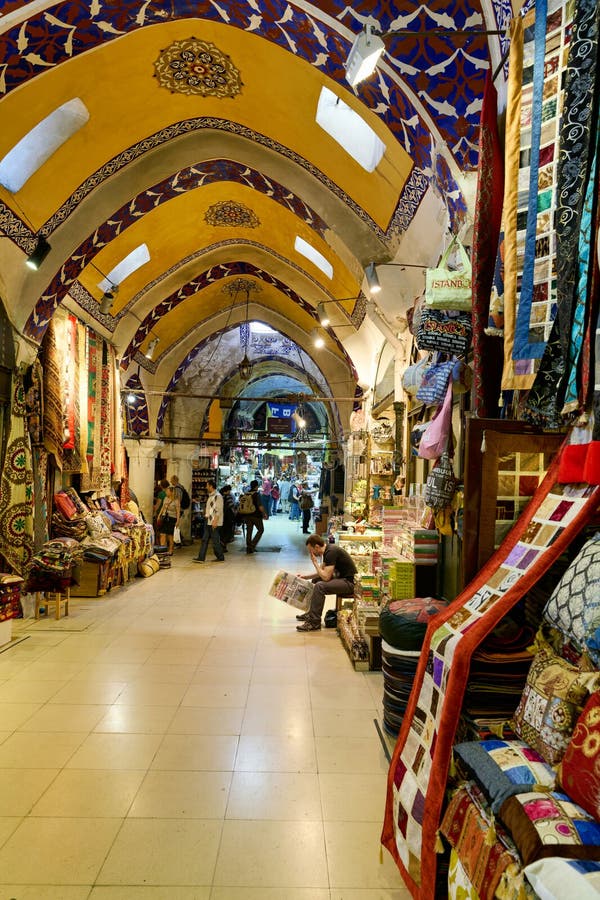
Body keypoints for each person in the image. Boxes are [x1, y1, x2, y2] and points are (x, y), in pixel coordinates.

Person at [296, 533, 357, 632]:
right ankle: (311, 613)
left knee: (320, 586)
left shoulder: (331, 552)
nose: (311, 553)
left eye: (311, 551)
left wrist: (315, 563)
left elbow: (325, 577)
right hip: (342, 579)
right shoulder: (328, 550)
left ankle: (314, 623)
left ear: (316, 547)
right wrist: (305, 577)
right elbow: (321, 572)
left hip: (349, 583)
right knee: (316, 581)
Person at [193, 480, 225, 563]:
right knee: (205, 539)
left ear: (211, 486)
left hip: (214, 522)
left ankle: (220, 556)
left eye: (207, 485)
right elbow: (210, 508)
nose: (206, 487)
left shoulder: (218, 496)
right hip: (208, 521)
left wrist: (215, 521)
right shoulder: (211, 496)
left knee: (215, 541)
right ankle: (201, 557)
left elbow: (219, 510)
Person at [239, 479, 266, 554]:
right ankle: (252, 545)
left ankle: (248, 547)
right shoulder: (256, 494)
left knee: (249, 531)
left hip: (247, 515)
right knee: (261, 530)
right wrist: (264, 514)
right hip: (256, 515)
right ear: (257, 486)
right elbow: (260, 506)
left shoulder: (247, 493)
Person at [157, 485, 181, 555]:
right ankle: (162, 549)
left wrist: (178, 521)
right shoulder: (165, 498)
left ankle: (171, 550)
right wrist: (159, 515)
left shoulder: (176, 501)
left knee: (170, 535)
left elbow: (178, 511)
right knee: (162, 534)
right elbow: (162, 507)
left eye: (167, 491)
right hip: (164, 517)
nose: (166, 492)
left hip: (172, 518)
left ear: (171, 492)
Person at [219, 484, 236, 551]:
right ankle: (223, 544)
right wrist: (235, 513)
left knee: (222, 531)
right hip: (228, 516)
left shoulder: (219, 496)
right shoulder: (228, 497)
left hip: (221, 516)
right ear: (228, 490)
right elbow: (231, 506)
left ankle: (223, 545)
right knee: (228, 531)